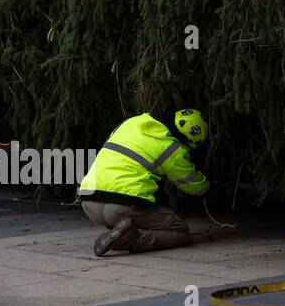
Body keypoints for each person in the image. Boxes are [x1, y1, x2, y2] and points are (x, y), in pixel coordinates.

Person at [77, 108, 211, 256]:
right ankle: (132, 238)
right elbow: (194, 186)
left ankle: (121, 233)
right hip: (122, 205)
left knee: (130, 216)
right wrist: (212, 188)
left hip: (89, 201)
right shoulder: (172, 148)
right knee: (180, 231)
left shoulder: (133, 122)